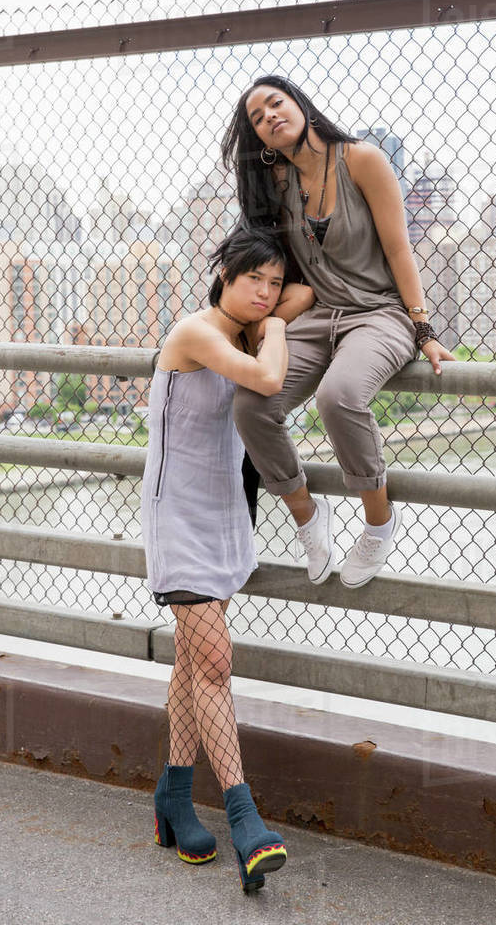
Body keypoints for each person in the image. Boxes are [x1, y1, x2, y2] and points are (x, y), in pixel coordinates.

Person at [221, 74, 456, 591]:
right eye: (257, 119)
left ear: (299, 103)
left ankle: (378, 522)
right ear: (258, 139)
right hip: (318, 317)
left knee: (340, 396)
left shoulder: (363, 159)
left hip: (380, 314)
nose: (269, 118)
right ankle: (307, 514)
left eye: (275, 104)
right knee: (252, 405)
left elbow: (399, 249)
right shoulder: (277, 186)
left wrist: (423, 329)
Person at [140, 225, 313, 893]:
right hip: (177, 518)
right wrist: (278, 322)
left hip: (224, 515)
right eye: (253, 280)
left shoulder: (250, 324)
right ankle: (247, 821)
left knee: (192, 664)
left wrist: (276, 308)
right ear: (224, 274)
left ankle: (174, 799)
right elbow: (268, 376)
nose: (266, 293)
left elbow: (308, 292)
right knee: (214, 661)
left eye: (274, 283)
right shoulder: (197, 333)